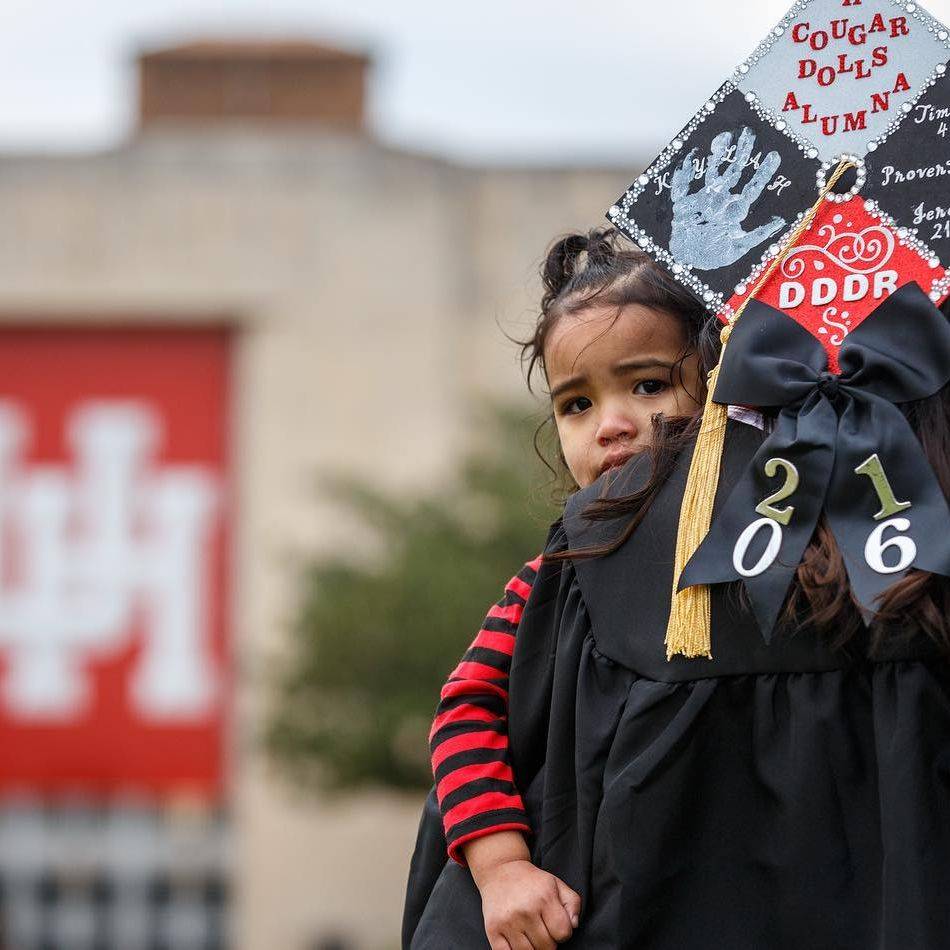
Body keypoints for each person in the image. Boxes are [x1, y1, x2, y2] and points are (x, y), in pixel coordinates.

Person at [404, 227, 718, 948]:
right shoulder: (556, 578)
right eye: (575, 403)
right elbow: (464, 711)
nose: (610, 426)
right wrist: (504, 867)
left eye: (648, 385)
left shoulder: (767, 547)